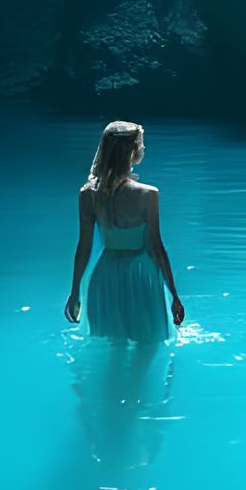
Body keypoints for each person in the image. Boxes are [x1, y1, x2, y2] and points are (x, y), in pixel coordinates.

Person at [64, 119, 185, 341]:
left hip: (105, 275)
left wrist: (74, 292)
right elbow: (157, 249)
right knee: (146, 347)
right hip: (140, 275)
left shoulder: (88, 194)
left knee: (113, 346)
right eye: (141, 143)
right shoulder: (148, 195)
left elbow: (84, 248)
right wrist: (174, 295)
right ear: (133, 151)